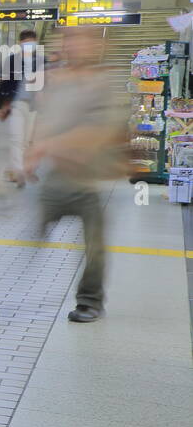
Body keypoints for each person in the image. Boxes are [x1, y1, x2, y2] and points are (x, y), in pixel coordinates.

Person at [24, 27, 128, 323]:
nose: (76, 47)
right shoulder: (57, 80)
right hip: (59, 174)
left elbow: (99, 130)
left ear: (97, 47)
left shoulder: (105, 82)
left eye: (84, 42)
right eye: (70, 42)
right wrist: (34, 152)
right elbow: (45, 119)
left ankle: (90, 301)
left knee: (95, 246)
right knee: (41, 222)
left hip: (91, 179)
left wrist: (48, 145)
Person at [2, 29, 41, 187]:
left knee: (27, 141)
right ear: (20, 44)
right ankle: (19, 172)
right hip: (17, 103)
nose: (29, 45)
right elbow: (5, 83)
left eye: (32, 42)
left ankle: (20, 168)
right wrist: (3, 103)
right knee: (16, 138)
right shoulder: (11, 60)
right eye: (26, 42)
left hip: (34, 106)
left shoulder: (41, 61)